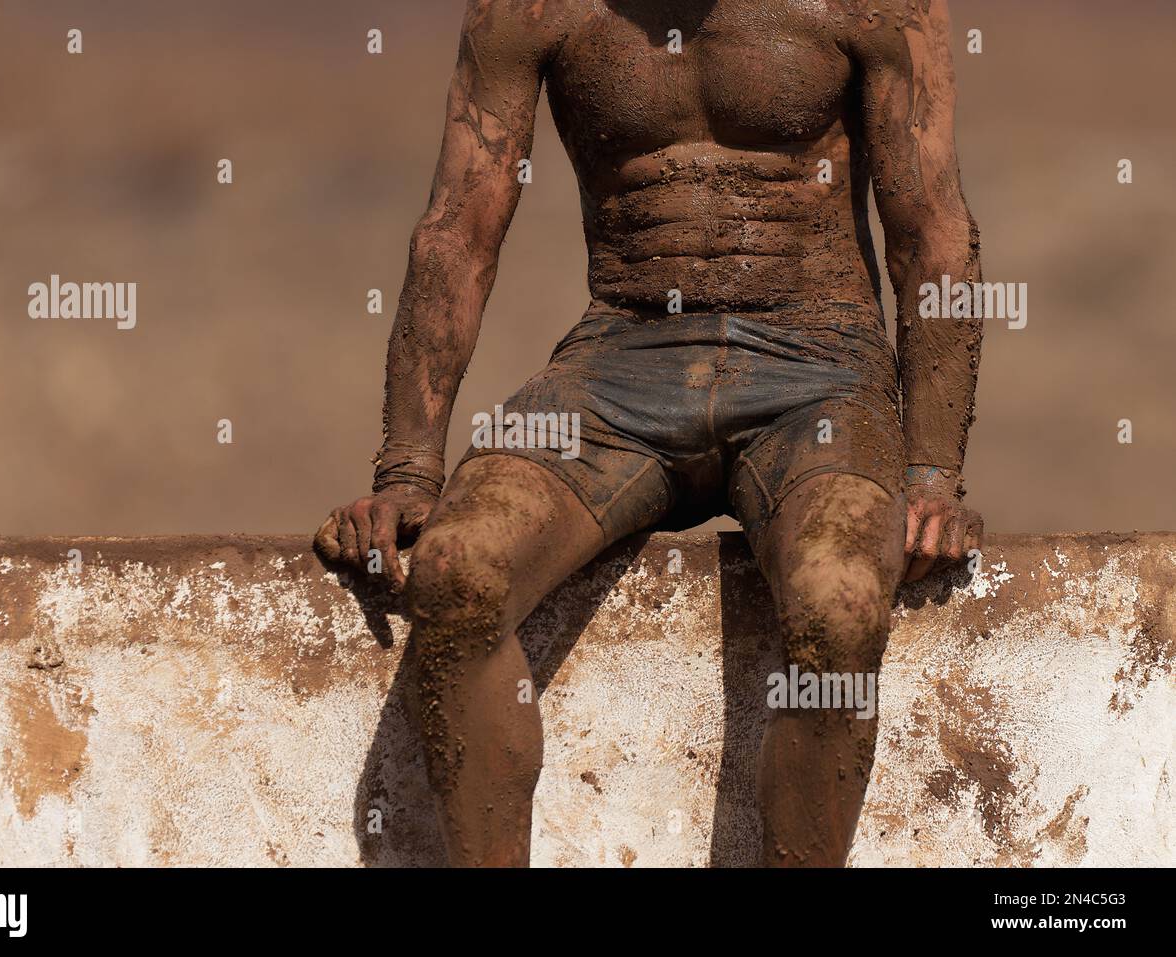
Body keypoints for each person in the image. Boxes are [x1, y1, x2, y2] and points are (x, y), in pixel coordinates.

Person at [316, 0, 984, 866]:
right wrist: (408, 470)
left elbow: (932, 230)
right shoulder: (530, 10)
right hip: (618, 362)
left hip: (818, 369)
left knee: (841, 603)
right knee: (453, 573)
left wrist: (933, 474)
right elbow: (458, 230)